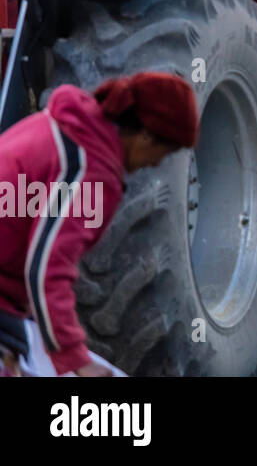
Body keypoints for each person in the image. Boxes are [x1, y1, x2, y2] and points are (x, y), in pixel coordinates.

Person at [0, 72, 198, 377]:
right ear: (145, 135)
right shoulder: (90, 168)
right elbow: (47, 270)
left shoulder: (61, 125)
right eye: (164, 152)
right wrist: (76, 360)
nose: (157, 163)